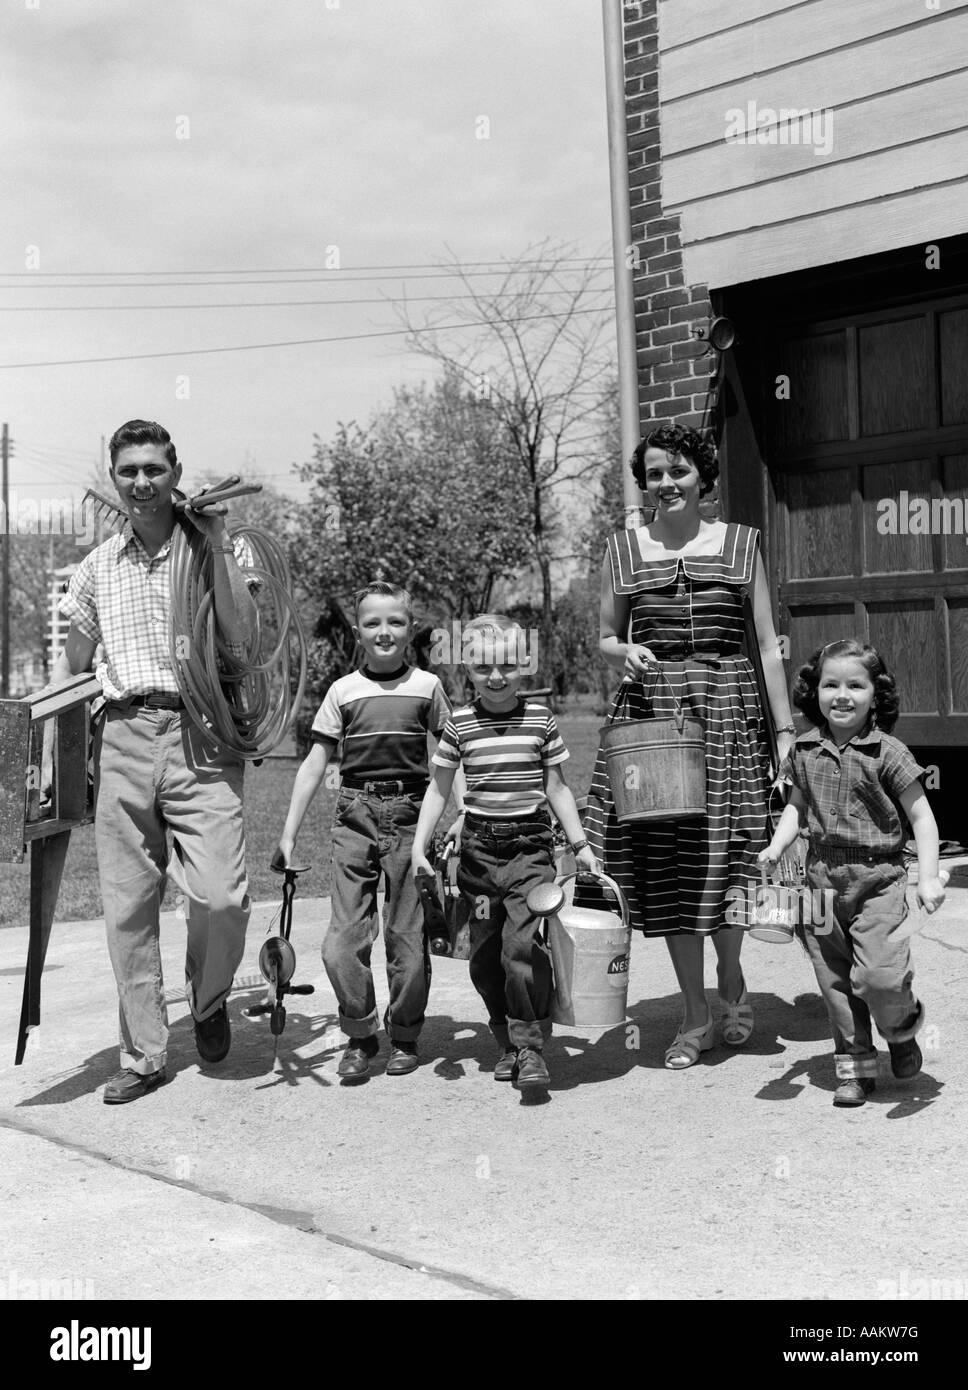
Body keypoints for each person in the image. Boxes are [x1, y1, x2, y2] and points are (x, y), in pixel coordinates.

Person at [51, 419, 257, 1104]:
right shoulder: (96, 568)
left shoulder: (208, 551)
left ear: (175, 473)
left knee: (221, 895)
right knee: (128, 909)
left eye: (154, 469)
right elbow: (73, 666)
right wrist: (46, 743)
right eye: (129, 471)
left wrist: (220, 542)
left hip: (202, 729)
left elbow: (241, 638)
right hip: (123, 734)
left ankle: (208, 996)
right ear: (114, 479)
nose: (142, 482)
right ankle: (143, 1055)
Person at [584, 421, 796, 1068]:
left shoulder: (739, 544)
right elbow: (603, 638)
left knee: (727, 856)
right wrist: (624, 651)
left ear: (702, 476)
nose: (666, 483)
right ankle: (695, 1011)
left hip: (728, 711)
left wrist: (784, 731)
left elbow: (765, 644)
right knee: (669, 862)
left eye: (677, 471)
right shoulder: (623, 550)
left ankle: (731, 980)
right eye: (653, 474)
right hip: (655, 718)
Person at [276, 581, 456, 1080]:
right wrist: (288, 833)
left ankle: (405, 1034)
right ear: (358, 632)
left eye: (395, 622)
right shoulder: (343, 691)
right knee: (340, 943)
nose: (385, 632)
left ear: (411, 630)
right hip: (353, 814)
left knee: (408, 939)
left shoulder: (427, 686)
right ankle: (360, 1034)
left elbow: (448, 757)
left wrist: (462, 813)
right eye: (373, 623)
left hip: (411, 816)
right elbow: (316, 763)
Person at [412, 614, 597, 1092]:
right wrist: (419, 848)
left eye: (508, 665)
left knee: (519, 949)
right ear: (467, 669)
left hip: (530, 849)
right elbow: (439, 790)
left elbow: (557, 788)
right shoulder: (459, 724)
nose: (496, 676)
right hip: (477, 855)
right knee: (484, 958)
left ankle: (531, 1048)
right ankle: (507, 1042)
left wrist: (580, 846)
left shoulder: (540, 720)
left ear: (524, 666)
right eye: (483, 667)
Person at [760, 640, 945, 1107]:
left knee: (879, 978)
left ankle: (901, 1029)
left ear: (875, 695)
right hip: (820, 883)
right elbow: (795, 808)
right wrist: (778, 844)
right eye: (830, 684)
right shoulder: (803, 750)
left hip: (878, 880)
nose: (842, 695)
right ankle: (856, 1070)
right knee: (835, 982)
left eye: (855, 685)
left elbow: (922, 818)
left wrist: (927, 877)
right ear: (814, 692)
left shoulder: (890, 753)